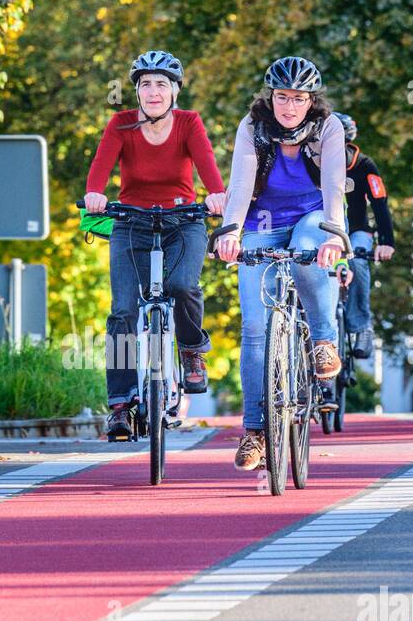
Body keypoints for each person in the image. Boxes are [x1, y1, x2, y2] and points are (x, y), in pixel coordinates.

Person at [84, 50, 226, 439]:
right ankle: (120, 404)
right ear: (137, 92)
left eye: (161, 84)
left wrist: (216, 194)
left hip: (183, 221)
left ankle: (192, 349)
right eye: (145, 84)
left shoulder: (189, 123)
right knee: (122, 312)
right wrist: (94, 194)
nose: (153, 91)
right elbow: (100, 167)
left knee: (183, 286)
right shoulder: (121, 124)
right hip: (132, 223)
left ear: (175, 91)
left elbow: (207, 163)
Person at [214, 56, 347, 472]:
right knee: (253, 328)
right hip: (261, 221)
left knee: (310, 247)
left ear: (312, 101)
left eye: (300, 98)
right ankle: (255, 431)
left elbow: (334, 186)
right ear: (270, 97)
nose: (290, 106)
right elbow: (239, 184)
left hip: (312, 215)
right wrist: (231, 231)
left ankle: (323, 341)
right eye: (283, 97)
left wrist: (334, 235)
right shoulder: (252, 127)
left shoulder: (329, 128)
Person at [333, 111, 396, 358]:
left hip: (357, 229)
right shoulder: (312, 162)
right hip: (327, 228)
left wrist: (386, 242)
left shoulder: (365, 165)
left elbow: (380, 203)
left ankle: (361, 327)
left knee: (358, 262)